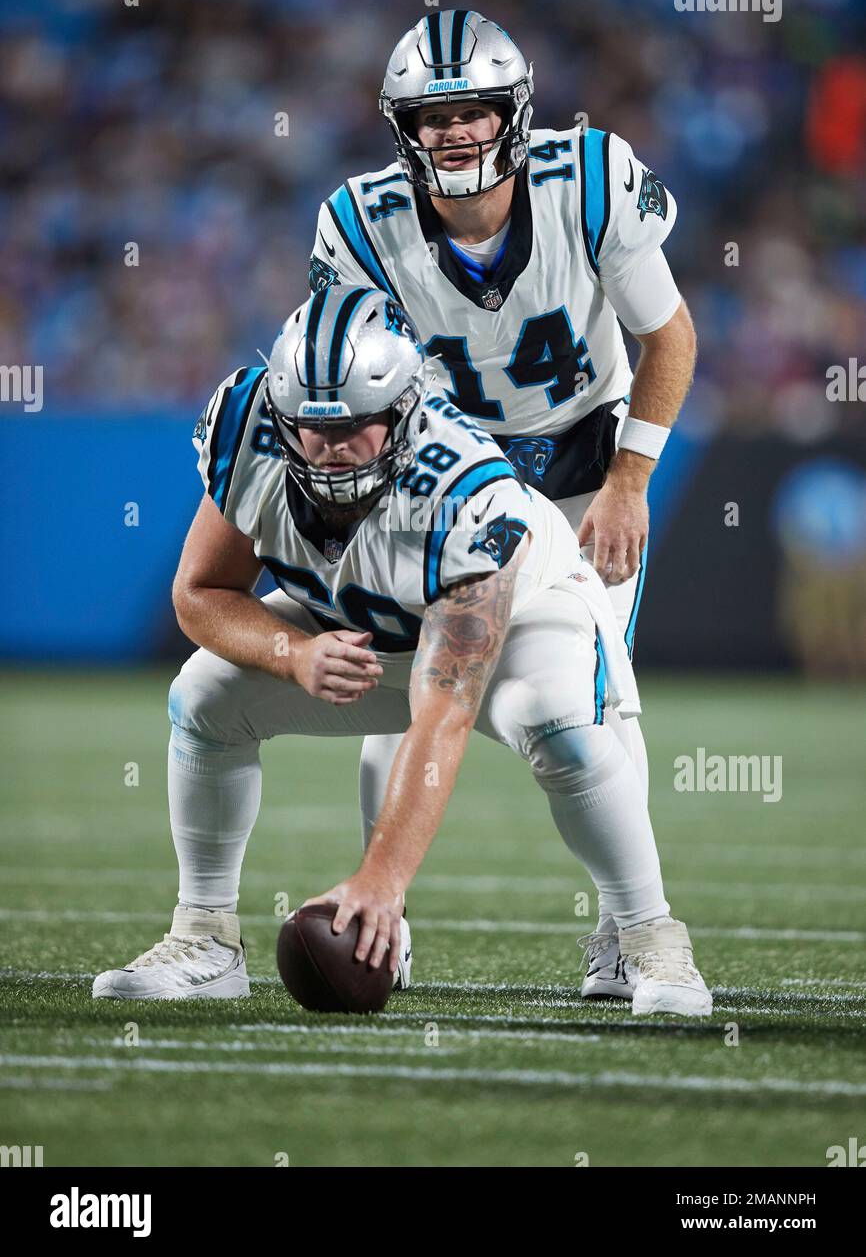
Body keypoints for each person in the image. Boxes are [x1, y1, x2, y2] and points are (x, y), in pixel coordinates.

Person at [92, 285, 711, 1018]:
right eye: (311, 428)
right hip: (362, 623)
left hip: (523, 616)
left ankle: (649, 935)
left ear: (404, 409)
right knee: (201, 699)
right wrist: (291, 652)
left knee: (555, 718)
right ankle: (205, 937)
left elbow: (443, 712)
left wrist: (381, 881)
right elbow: (200, 592)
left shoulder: (460, 490)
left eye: (356, 426)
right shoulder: (249, 427)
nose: (330, 449)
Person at [309, 9, 697, 998]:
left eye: (472, 110)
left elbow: (669, 338)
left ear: (512, 112)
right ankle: (380, 925)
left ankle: (630, 931)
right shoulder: (359, 222)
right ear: (402, 128)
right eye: (430, 117)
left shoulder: (590, 181)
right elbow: (355, 375)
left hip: (579, 471)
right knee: (393, 706)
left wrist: (627, 478)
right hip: (442, 490)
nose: (453, 133)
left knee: (589, 707)